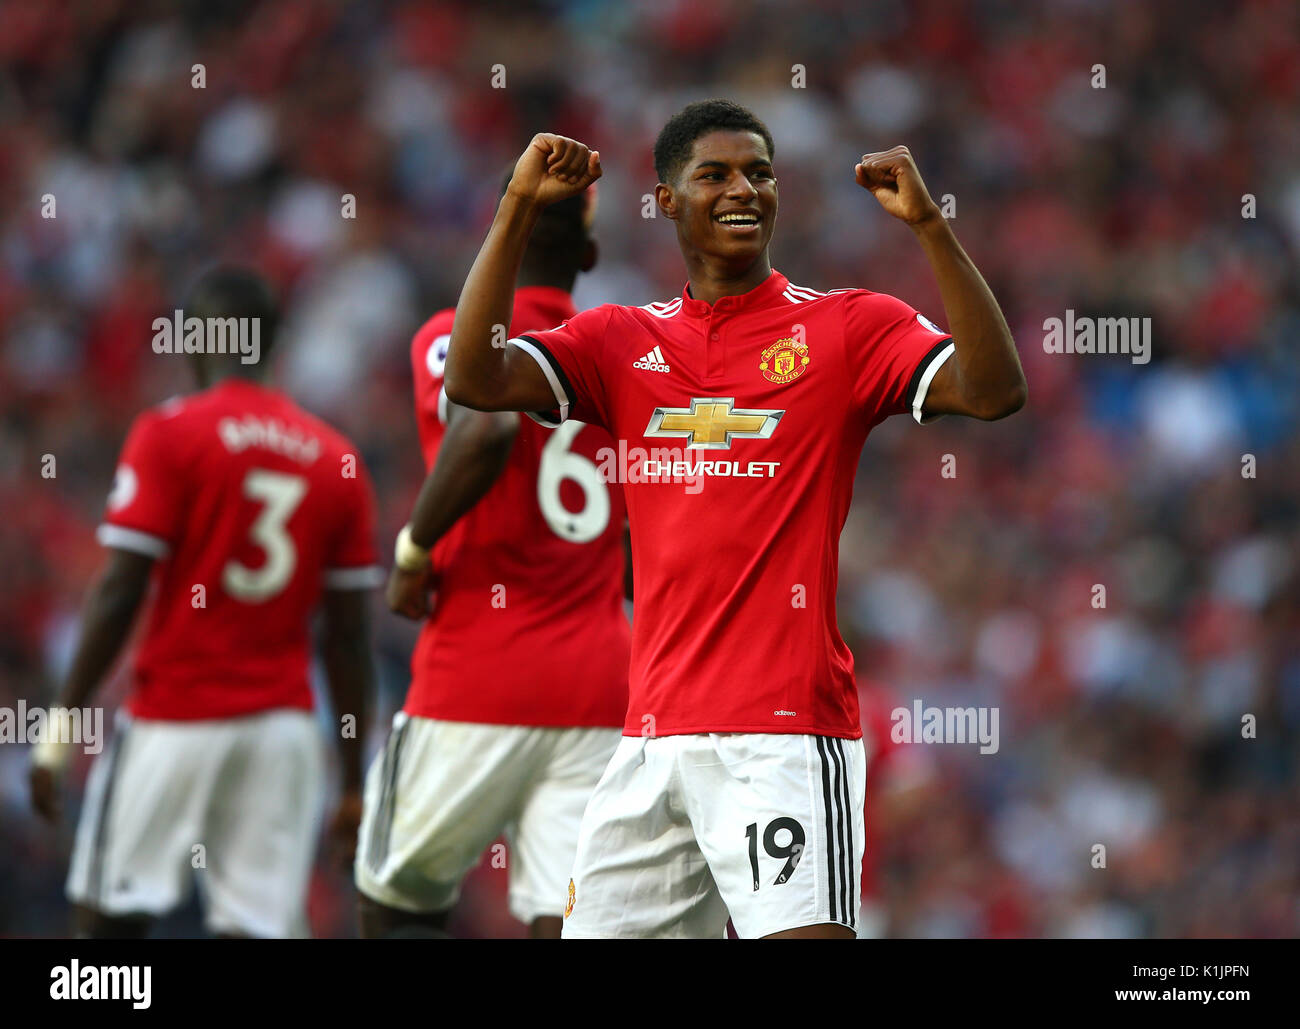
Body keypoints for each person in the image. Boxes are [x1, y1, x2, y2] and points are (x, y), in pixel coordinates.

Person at [443, 98, 1027, 939]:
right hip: (650, 738)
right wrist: (516, 210)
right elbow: (476, 379)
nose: (742, 188)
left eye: (759, 171)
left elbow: (994, 389)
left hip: (782, 737)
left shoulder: (847, 327)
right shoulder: (618, 341)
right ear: (667, 200)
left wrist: (932, 227)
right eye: (713, 174)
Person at [29, 267, 380, 939]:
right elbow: (349, 639)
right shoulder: (335, 457)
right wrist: (351, 779)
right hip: (281, 730)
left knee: (107, 919)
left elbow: (121, 585)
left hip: (176, 715)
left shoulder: (171, 433)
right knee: (253, 928)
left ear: (195, 341)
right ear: (275, 346)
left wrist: (60, 720)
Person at [354, 183, 630, 940]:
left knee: (393, 895)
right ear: (591, 253)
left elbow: (486, 435)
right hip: (602, 682)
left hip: (477, 669)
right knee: (562, 914)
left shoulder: (450, 338)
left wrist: (412, 549)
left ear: (498, 245)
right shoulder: (623, 355)